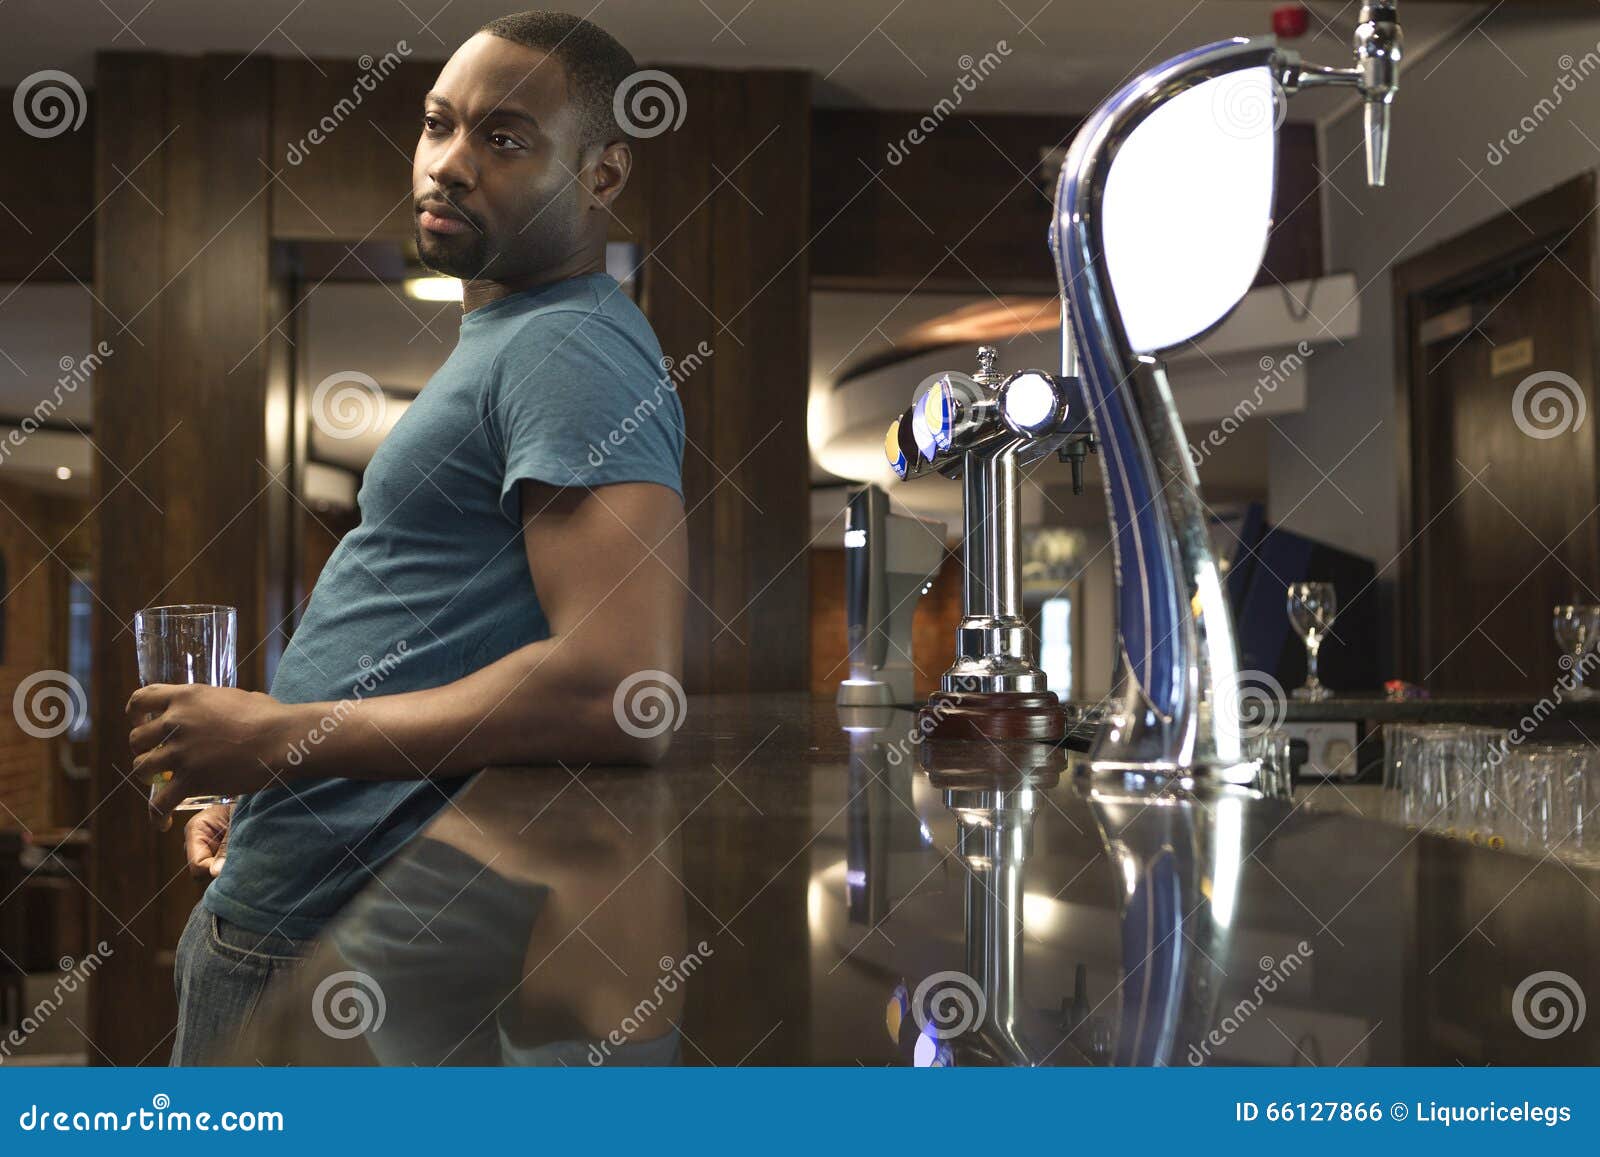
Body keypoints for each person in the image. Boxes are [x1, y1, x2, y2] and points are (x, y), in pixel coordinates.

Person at [126, 11, 688, 1065]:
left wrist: (271, 740)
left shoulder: (571, 346)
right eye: (438, 126)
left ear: (602, 176)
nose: (449, 165)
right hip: (289, 899)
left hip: (313, 942)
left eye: (505, 138)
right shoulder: (518, 335)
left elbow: (619, 685)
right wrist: (270, 788)